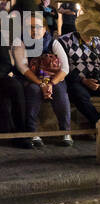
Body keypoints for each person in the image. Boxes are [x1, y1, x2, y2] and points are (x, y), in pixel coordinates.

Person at [14, 15, 73, 146]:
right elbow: (23, 68)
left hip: (53, 80)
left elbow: (65, 68)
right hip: (31, 79)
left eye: (38, 27)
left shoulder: (53, 43)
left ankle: (65, 132)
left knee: (60, 91)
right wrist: (41, 84)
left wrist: (50, 84)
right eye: (31, 27)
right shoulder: (20, 43)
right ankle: (32, 133)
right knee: (33, 90)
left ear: (45, 29)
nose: (35, 30)